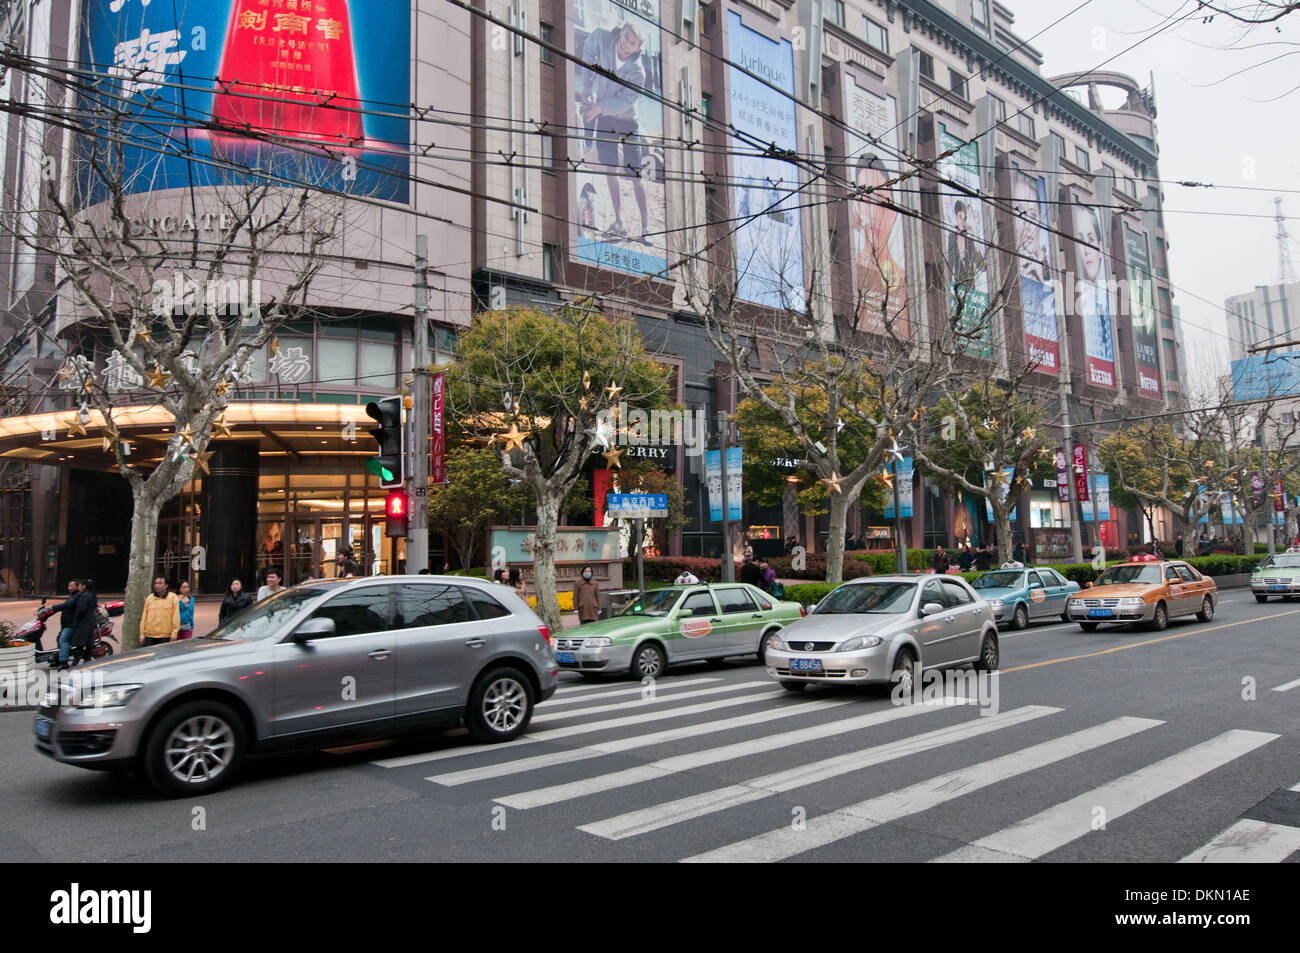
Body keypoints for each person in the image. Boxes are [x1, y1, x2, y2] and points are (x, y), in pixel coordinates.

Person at [577, 21, 651, 245]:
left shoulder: (639, 72)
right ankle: (619, 222)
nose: (628, 45)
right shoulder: (601, 36)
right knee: (611, 169)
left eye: (634, 44)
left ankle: (646, 227)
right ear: (621, 34)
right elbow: (589, 52)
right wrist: (586, 84)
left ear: (638, 48)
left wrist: (600, 107)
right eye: (627, 38)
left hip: (628, 120)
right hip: (606, 117)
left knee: (636, 175)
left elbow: (626, 100)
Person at [48, 579, 81, 667]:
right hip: (66, 623)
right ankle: (59, 658)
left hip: (71, 623)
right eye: (68, 586)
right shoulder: (72, 595)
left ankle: (63, 661)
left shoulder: (77, 596)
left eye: (71, 586)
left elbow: (68, 605)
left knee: (63, 639)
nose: (69, 588)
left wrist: (53, 607)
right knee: (59, 639)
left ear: (77, 586)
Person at [140, 575, 180, 647]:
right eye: (156, 583)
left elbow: (176, 617)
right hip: (149, 635)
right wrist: (142, 635)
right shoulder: (149, 598)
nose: (157, 585)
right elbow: (144, 617)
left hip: (165, 636)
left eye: (160, 583)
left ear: (166, 585)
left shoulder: (173, 597)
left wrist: (174, 634)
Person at [69, 578, 98, 663]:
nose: (79, 587)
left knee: (80, 643)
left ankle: (77, 659)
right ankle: (86, 659)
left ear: (84, 586)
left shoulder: (85, 596)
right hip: (90, 621)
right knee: (88, 642)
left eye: (80, 585)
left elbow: (81, 609)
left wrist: (76, 619)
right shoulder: (92, 595)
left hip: (83, 622)